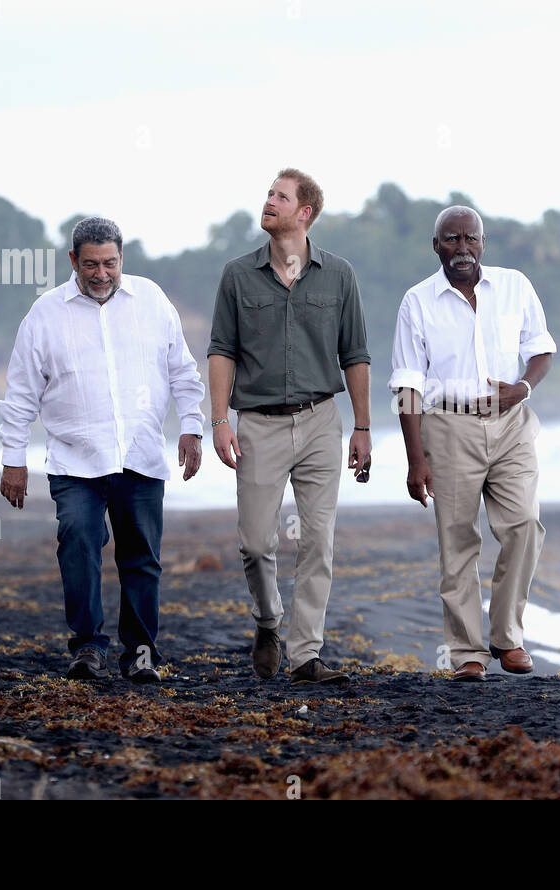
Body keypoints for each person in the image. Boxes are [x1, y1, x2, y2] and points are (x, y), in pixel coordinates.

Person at [0, 217, 205, 684]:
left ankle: (141, 651)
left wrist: (191, 427)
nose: (101, 273)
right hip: (75, 460)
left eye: (110, 263)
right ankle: (87, 647)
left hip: (141, 456)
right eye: (90, 264)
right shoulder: (45, 315)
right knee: (78, 544)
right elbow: (20, 393)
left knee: (142, 557)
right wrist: (14, 459)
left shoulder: (151, 300)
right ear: (73, 260)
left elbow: (182, 372)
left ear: (121, 258)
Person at [207, 169, 372, 685]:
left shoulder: (339, 275)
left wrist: (363, 428)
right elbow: (221, 351)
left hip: (322, 420)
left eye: (281, 196)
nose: (269, 201)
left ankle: (305, 656)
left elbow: (357, 356)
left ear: (306, 213)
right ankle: (267, 621)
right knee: (256, 544)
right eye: (268, 194)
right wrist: (219, 421)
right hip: (258, 424)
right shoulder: (237, 276)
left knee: (318, 541)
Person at [389, 206, 555, 681]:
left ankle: (508, 637)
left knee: (524, 524)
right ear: (436, 245)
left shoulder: (515, 286)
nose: (462, 249)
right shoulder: (417, 302)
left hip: (511, 422)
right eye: (451, 240)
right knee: (458, 539)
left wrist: (522, 388)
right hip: (448, 426)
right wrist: (415, 460)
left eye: (470, 239)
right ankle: (466, 652)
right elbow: (407, 386)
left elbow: (540, 349)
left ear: (483, 243)